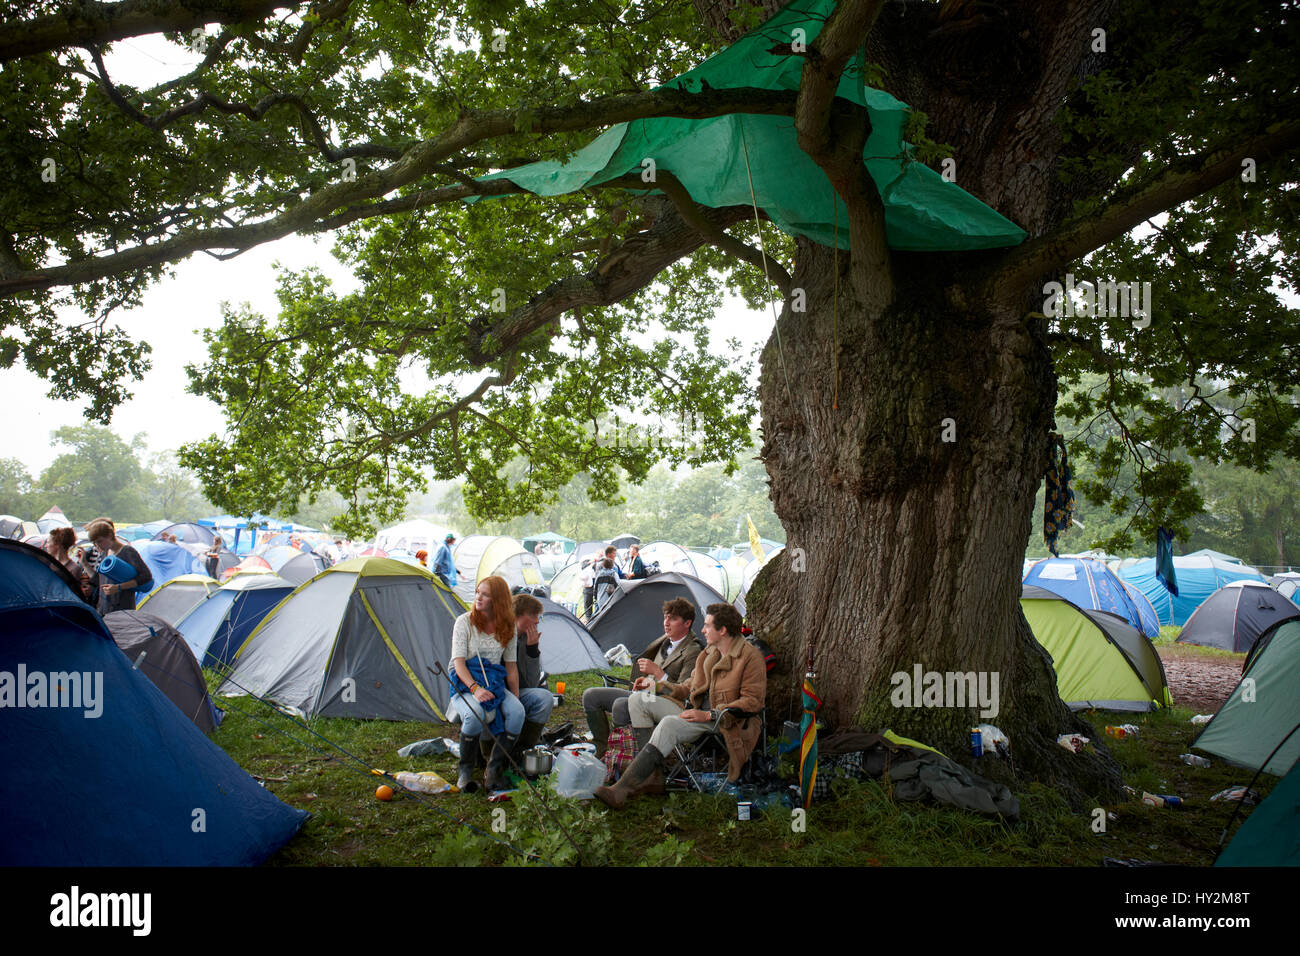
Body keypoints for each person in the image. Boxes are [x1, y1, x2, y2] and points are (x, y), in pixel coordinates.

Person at [594, 603, 765, 809]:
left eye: (708, 626)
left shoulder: (750, 657)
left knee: (669, 724)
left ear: (723, 630)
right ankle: (653, 777)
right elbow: (687, 687)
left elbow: (752, 701)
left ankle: (623, 789)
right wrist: (657, 686)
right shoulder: (709, 653)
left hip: (724, 722)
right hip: (694, 711)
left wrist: (709, 715)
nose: (702, 630)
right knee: (638, 700)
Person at [582, 597, 702, 759]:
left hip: (667, 701)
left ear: (687, 623)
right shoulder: (665, 641)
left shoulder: (692, 650)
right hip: (646, 693)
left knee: (620, 705)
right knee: (591, 696)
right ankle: (602, 750)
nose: (666, 623)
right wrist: (643, 682)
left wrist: (658, 673)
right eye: (666, 617)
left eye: (673, 619)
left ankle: (625, 756)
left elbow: (684, 691)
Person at [450, 575, 524, 793]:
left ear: (498, 600)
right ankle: (465, 771)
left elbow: (511, 667)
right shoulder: (464, 622)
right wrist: (475, 689)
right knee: (474, 716)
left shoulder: (508, 626)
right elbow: (458, 664)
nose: (478, 598)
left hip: (493, 683)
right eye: (477, 592)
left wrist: (516, 697)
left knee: (517, 713)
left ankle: (493, 769)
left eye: (485, 594)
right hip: (465, 683)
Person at [509, 592, 555, 758]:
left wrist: (532, 650)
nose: (537, 621)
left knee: (545, 697)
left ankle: (522, 750)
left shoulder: (525, 639)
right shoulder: (502, 635)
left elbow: (532, 682)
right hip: (499, 692)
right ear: (517, 615)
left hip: (519, 691)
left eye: (538, 616)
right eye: (533, 615)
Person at [85, 518, 153, 615]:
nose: (97, 546)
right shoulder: (105, 552)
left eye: (100, 541)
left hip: (122, 609)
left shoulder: (127, 551)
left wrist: (118, 587)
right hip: (103, 609)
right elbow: (100, 580)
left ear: (109, 535)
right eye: (95, 543)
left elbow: (146, 576)